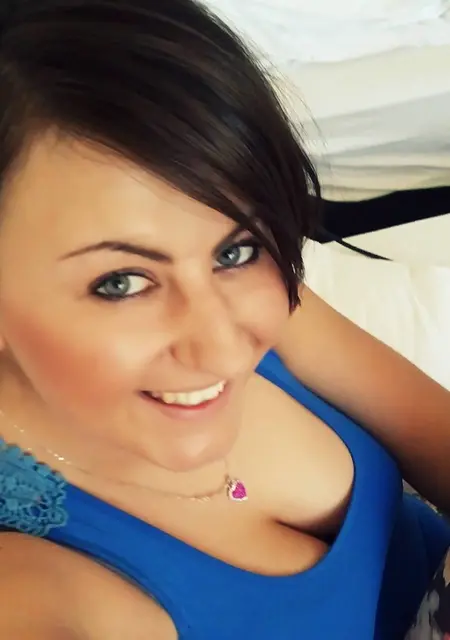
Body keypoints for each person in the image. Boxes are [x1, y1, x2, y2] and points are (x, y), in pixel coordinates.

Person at [0, 1, 450, 639]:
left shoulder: (246, 295)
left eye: (235, 249)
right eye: (121, 283)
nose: (224, 346)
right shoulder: (31, 590)